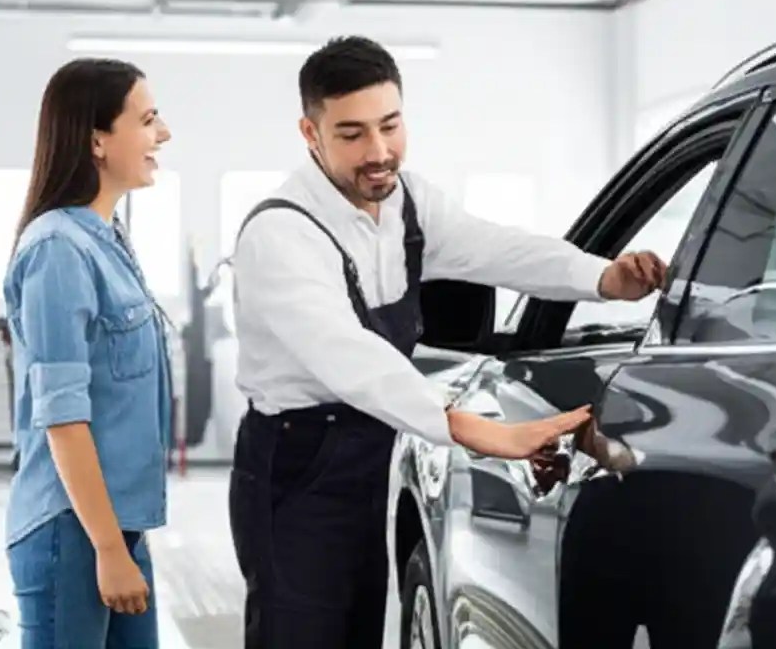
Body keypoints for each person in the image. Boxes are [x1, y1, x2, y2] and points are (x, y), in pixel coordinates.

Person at [227, 36, 667, 648]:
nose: (379, 152)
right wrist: (481, 430)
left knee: (353, 631)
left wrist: (602, 277)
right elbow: (350, 357)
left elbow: (497, 248)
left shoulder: (408, 203)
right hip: (295, 465)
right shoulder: (281, 233)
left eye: (390, 125)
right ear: (311, 132)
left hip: (366, 451)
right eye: (352, 134)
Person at [3, 57, 174, 648]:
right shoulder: (58, 250)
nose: (164, 135)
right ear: (97, 139)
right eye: (148, 120)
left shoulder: (108, 240)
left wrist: (120, 540)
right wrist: (105, 547)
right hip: (71, 534)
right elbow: (64, 417)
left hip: (115, 526)